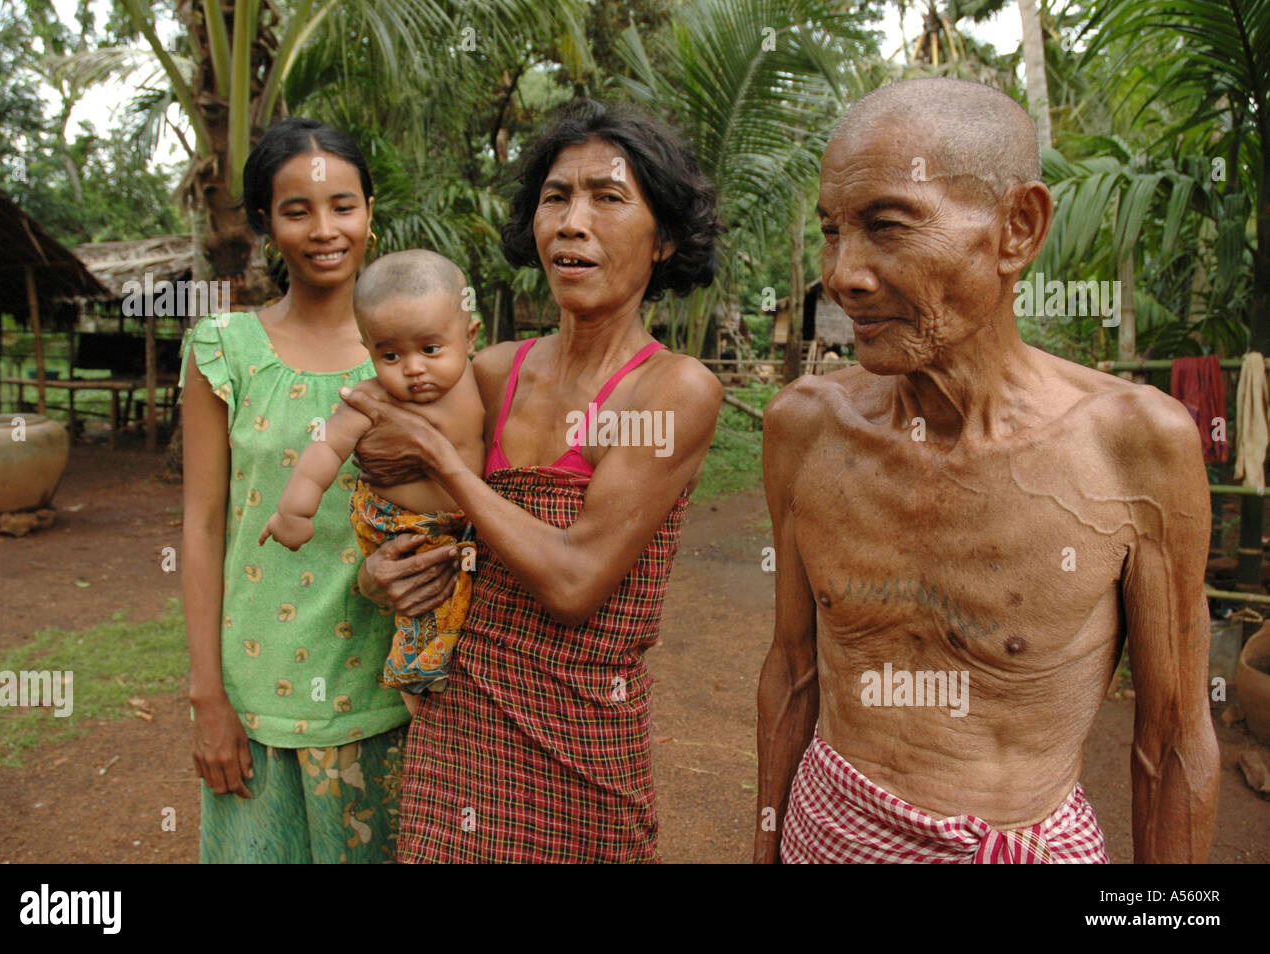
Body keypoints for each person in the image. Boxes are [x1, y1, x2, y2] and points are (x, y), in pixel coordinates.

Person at [755, 78, 1219, 864]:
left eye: (888, 225)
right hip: (822, 834)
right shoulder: (805, 427)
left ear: (1018, 228)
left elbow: (1171, 739)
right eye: (834, 231)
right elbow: (794, 670)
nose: (843, 274)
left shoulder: (1132, 447)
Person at [339, 99, 725, 862]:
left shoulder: (672, 391)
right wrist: (381, 575)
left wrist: (447, 460)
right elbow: (413, 510)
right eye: (556, 196)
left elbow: (576, 582)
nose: (570, 222)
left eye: (608, 198)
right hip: (456, 732)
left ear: (666, 239)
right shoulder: (489, 371)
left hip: (582, 750)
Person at [180, 118, 409, 863]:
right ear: (264, 224)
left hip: (384, 693)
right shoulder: (224, 349)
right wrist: (209, 698)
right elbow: (204, 524)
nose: (325, 230)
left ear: (371, 212)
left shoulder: (416, 359)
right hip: (255, 697)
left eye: (344, 205)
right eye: (297, 210)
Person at [259, 249, 485, 716]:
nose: (413, 368)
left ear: (469, 335)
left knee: (464, 610)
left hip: (460, 524)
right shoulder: (369, 399)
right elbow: (323, 450)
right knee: (427, 607)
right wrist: (294, 512)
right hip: (400, 524)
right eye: (390, 354)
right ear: (369, 351)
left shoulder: (484, 381)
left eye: (430, 348)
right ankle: (419, 700)